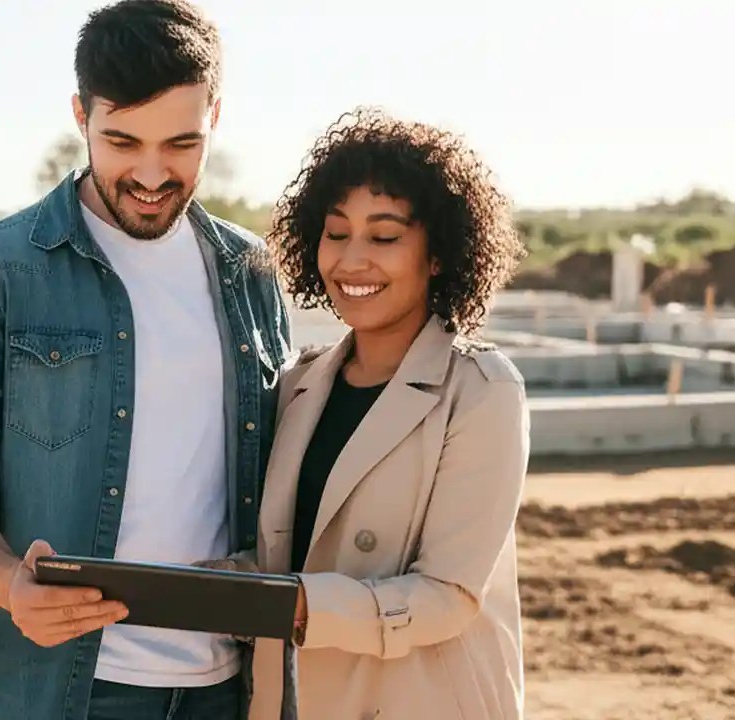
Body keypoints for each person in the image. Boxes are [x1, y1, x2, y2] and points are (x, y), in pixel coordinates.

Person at [0, 1, 292, 718]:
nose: (150, 173)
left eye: (181, 143)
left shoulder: (250, 269)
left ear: (216, 117)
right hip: (73, 689)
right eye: (121, 141)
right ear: (80, 115)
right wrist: (7, 583)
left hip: (235, 685)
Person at [211, 107, 530, 719]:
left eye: (384, 237)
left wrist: (300, 606)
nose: (352, 260)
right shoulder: (300, 384)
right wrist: (209, 582)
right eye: (336, 233)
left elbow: (448, 595)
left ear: (437, 254)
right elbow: (291, 558)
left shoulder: (482, 391)